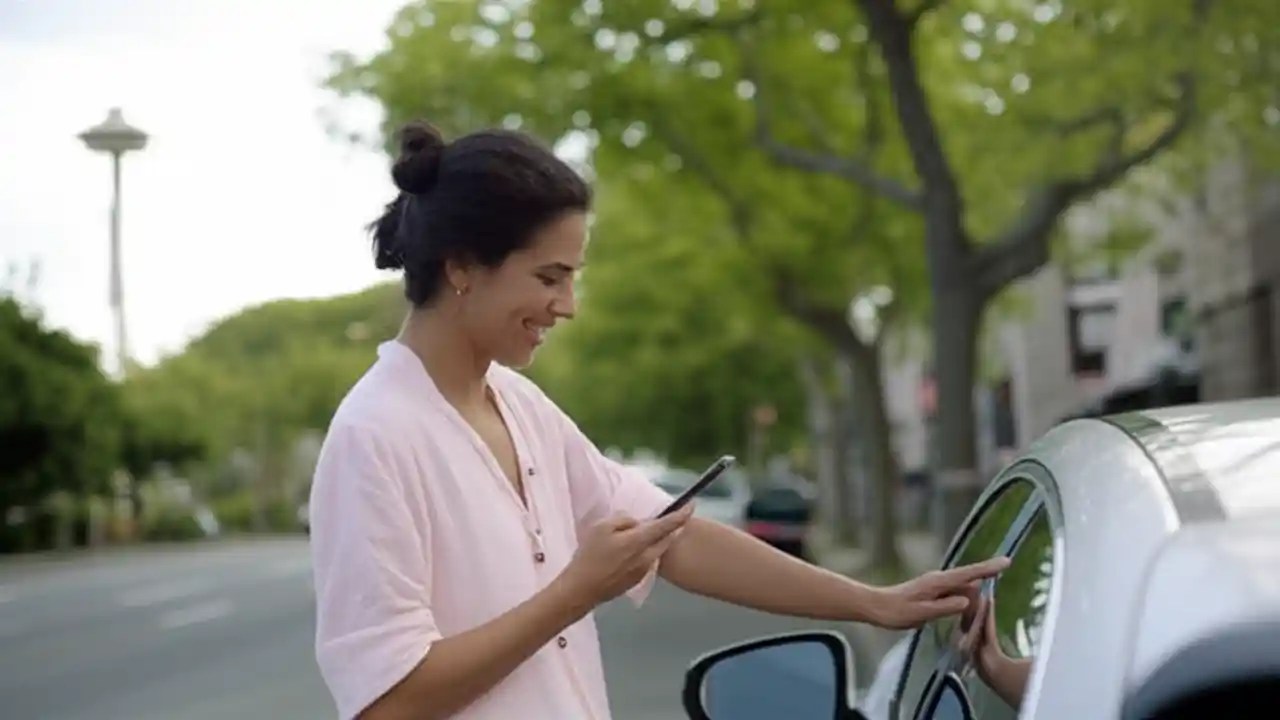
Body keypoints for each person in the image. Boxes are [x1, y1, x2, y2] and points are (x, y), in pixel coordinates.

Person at [307, 120, 1010, 720]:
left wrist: (874, 603)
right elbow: (386, 702)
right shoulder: (376, 437)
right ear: (462, 265)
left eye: (573, 278)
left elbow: (673, 540)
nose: (568, 305)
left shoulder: (520, 406)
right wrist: (576, 592)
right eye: (550, 277)